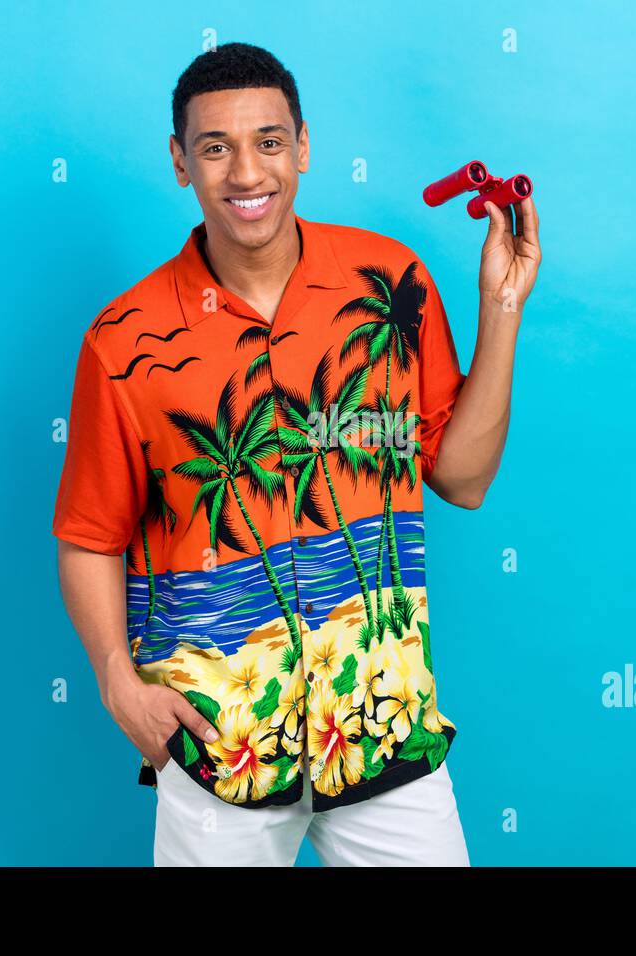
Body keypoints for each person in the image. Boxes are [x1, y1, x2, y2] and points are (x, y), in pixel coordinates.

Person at [52, 42, 540, 866]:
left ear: (304, 147)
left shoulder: (391, 283)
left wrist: (501, 306)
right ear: (180, 161)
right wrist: (115, 683)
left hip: (384, 728)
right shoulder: (123, 341)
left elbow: (463, 478)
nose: (247, 172)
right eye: (216, 148)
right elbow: (89, 536)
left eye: (269, 142)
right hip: (218, 747)